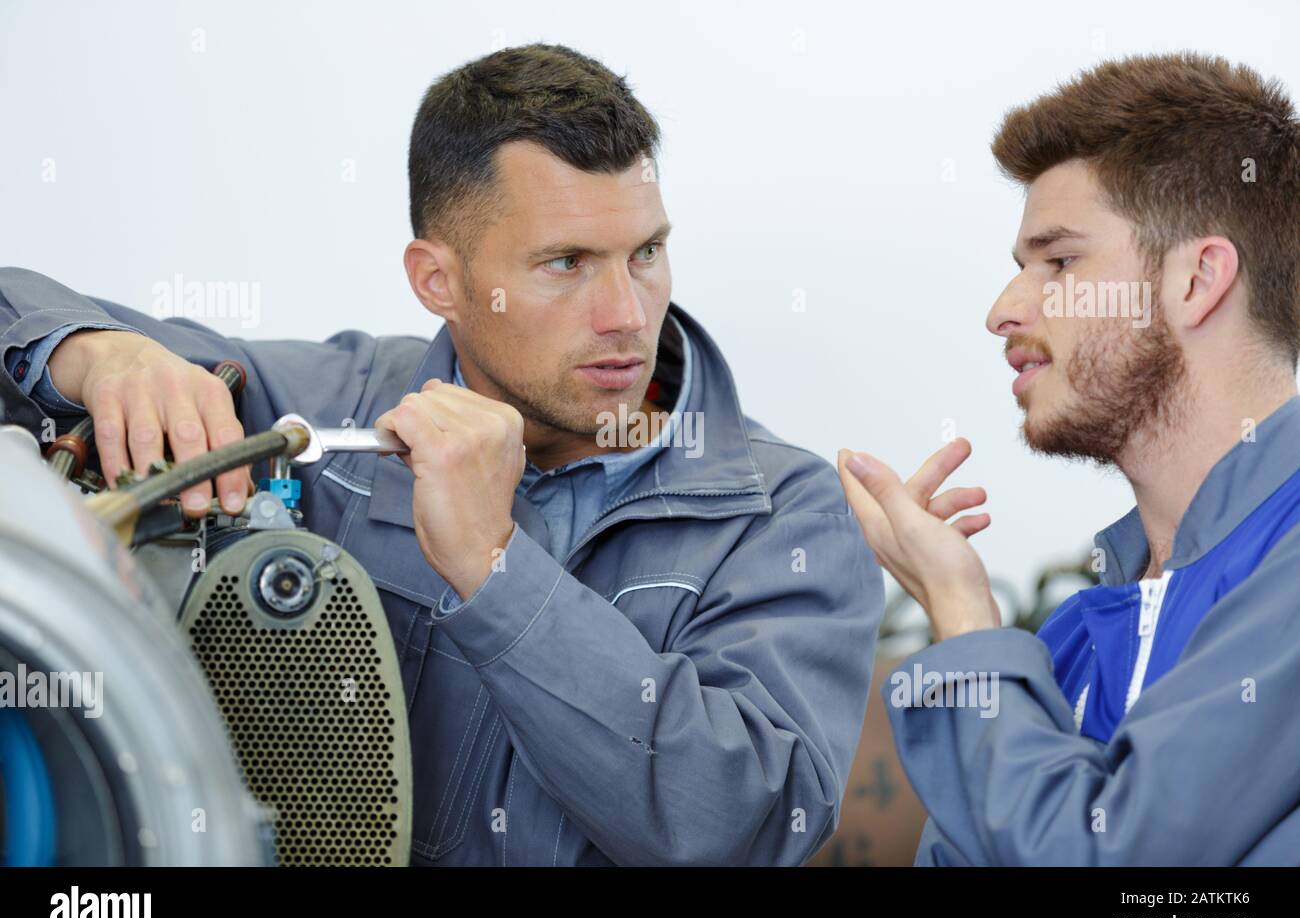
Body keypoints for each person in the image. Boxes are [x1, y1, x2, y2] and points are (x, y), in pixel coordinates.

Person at [2, 44, 884, 866]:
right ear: (438, 280)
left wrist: (493, 572)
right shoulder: (330, 410)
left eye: (646, 252)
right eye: (567, 263)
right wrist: (90, 349)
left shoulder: (785, 514)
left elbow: (746, 823)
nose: (626, 313)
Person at [838, 51, 1300, 865]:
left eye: (1058, 262)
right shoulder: (1064, 647)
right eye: (1019, 269)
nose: (1003, 310)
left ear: (1198, 280)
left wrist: (964, 618)